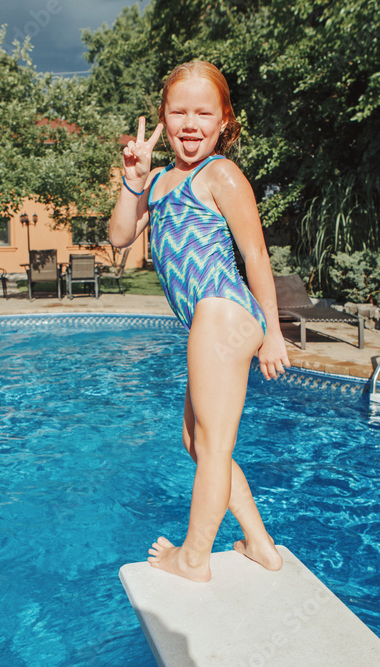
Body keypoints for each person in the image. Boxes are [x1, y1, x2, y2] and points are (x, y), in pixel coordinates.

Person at [109, 61, 290, 582]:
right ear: (163, 119)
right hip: (209, 319)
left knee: (213, 445)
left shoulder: (221, 174)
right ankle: (260, 543)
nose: (191, 123)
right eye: (179, 111)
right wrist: (132, 180)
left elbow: (255, 255)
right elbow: (121, 237)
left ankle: (193, 558)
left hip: (223, 308)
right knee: (196, 443)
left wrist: (273, 333)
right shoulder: (161, 181)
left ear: (224, 120)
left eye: (204, 113)